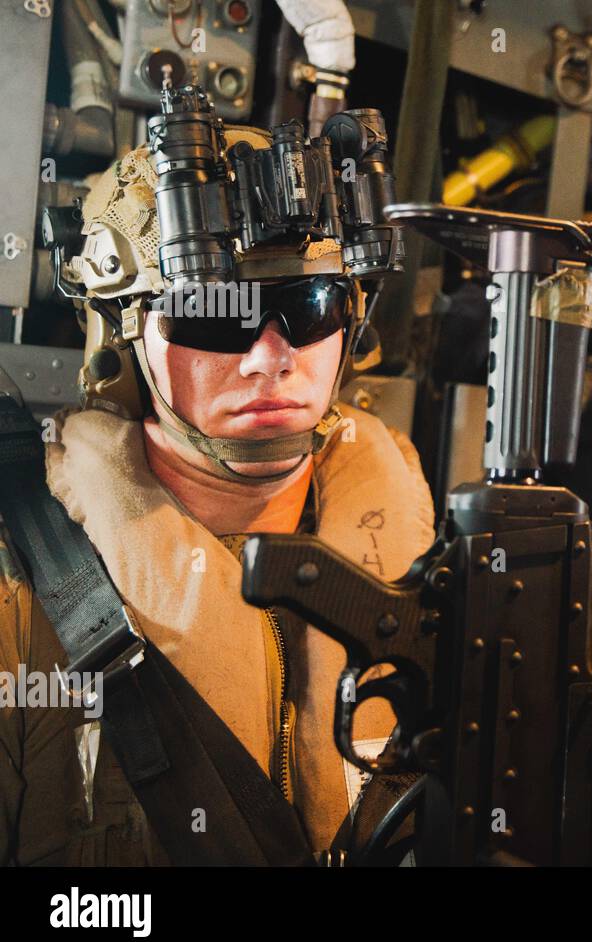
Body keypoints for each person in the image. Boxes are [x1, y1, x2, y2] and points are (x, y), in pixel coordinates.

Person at [0, 112, 431, 865]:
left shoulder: (441, 565)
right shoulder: (21, 599)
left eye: (310, 306)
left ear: (352, 318)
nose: (272, 356)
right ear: (123, 330)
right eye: (212, 313)